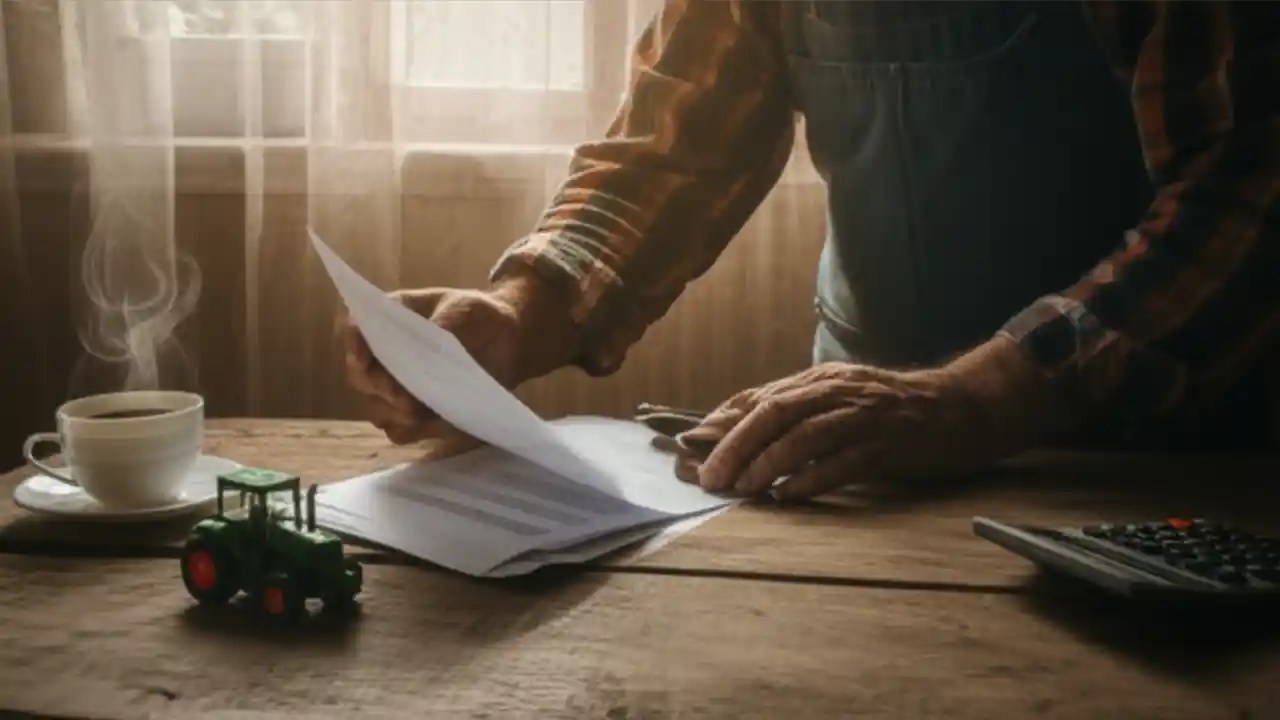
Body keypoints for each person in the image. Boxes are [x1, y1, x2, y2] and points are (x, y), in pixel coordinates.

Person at [338, 1, 1278, 501]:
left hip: (1152, 470)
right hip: (861, 461)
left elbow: (1246, 193)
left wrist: (977, 398)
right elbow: (674, 150)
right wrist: (520, 310)